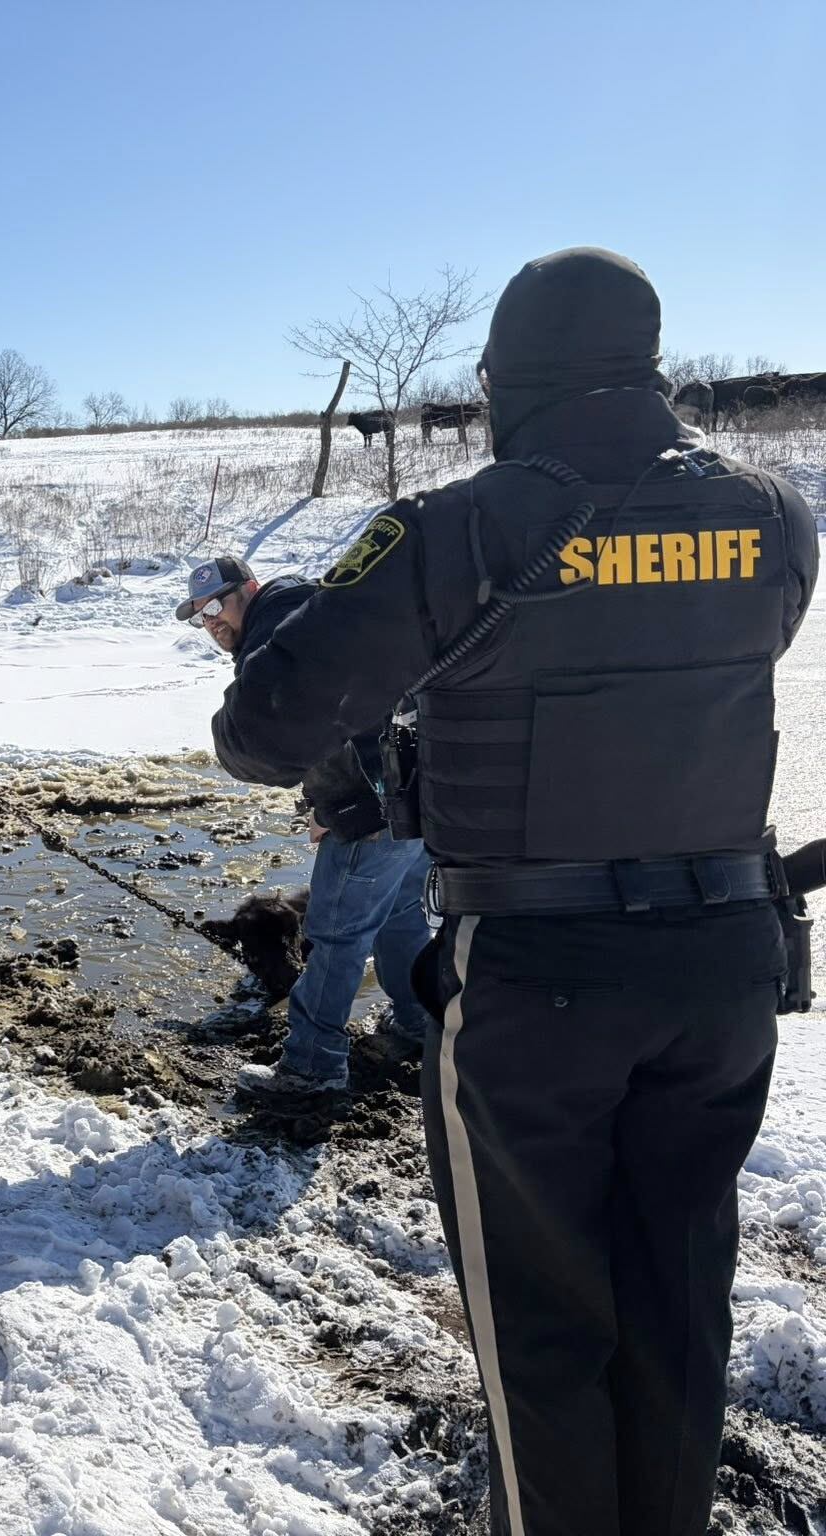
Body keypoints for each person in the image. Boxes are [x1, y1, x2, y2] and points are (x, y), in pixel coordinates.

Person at [211, 247, 816, 1536]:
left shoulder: (461, 526)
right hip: (722, 968)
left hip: (537, 981)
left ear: (500, 379)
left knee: (540, 1324)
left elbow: (262, 732)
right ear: (647, 367)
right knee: (676, 1295)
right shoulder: (770, 510)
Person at [177, 555, 433, 1100]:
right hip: (415, 799)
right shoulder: (314, 615)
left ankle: (311, 1068)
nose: (211, 621)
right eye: (200, 615)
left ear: (250, 588)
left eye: (218, 604)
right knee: (400, 918)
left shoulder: (286, 630)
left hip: (373, 807)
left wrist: (338, 809)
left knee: (335, 936)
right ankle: (417, 1024)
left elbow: (307, 728)